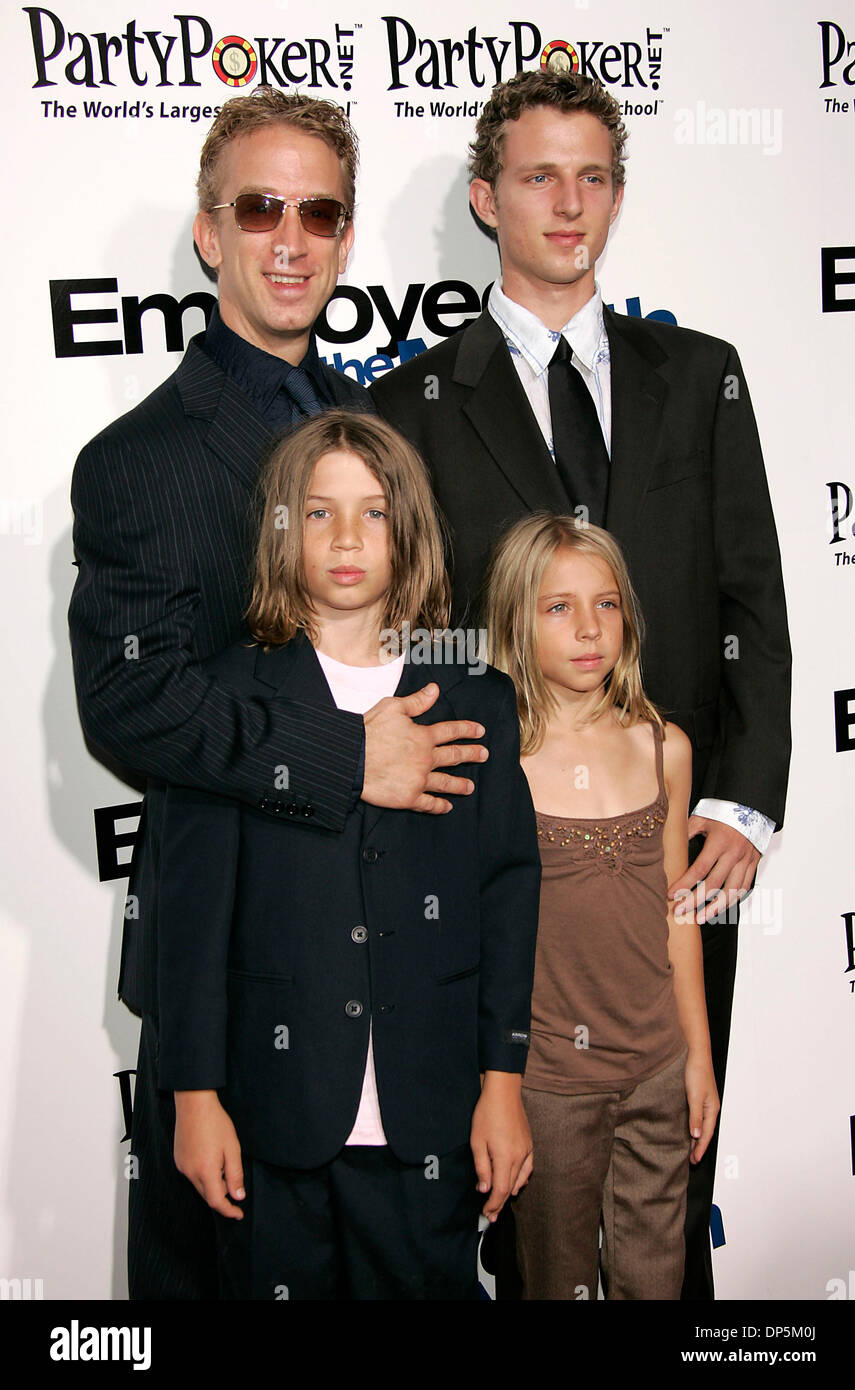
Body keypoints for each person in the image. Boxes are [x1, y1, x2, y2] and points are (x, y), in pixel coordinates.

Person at [371, 67, 791, 1298]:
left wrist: (743, 801)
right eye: (539, 176)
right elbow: (417, 636)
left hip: (681, 840)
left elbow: (750, 603)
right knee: (531, 1213)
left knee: (674, 1185)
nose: (567, 202)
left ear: (616, 200)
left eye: (591, 177)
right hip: (510, 868)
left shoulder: (700, 375)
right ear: (485, 197)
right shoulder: (413, 404)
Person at [68, 88, 487, 1301]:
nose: (290, 238)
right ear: (210, 233)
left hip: (402, 999)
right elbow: (131, 708)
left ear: (348, 239)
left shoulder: (380, 437)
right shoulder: (143, 460)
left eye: (319, 211)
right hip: (242, 988)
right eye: (260, 208)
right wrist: (350, 757)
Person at [155, 409, 541, 1299]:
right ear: (281, 531)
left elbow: (506, 900)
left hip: (430, 1119)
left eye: (373, 514)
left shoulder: (476, 699)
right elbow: (193, 919)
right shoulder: (227, 695)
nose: (346, 539)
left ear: (409, 533)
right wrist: (194, 1096)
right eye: (318, 513)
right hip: (272, 1117)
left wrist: (503, 1083)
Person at [484, 514, 718, 1299]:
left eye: (607, 604)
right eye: (558, 607)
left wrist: (697, 1055)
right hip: (549, 1085)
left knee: (658, 1282)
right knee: (554, 1283)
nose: (589, 628)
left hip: (658, 1071)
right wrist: (500, 1088)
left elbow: (677, 914)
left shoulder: (664, 745)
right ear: (516, 618)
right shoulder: (497, 762)